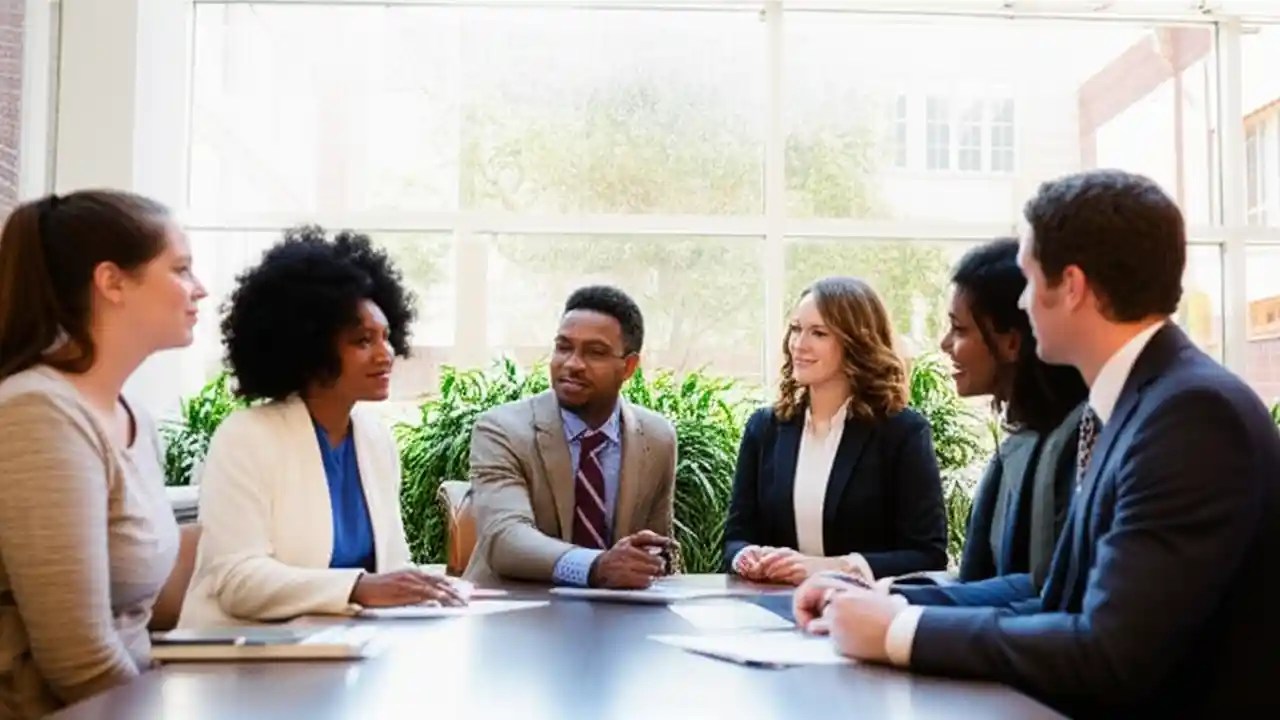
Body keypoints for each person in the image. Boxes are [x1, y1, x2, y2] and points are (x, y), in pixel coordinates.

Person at [794, 170, 1280, 716]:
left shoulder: (1192, 416)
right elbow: (1056, 597)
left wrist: (901, 631)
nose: (1021, 305)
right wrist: (889, 602)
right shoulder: (1135, 404)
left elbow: (1111, 652)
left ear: (1070, 287)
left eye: (1027, 282)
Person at [178, 227, 463, 629]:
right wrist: (359, 587)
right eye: (363, 341)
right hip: (243, 660)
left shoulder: (375, 439)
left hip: (348, 653)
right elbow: (238, 580)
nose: (386, 354)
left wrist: (431, 591)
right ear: (309, 349)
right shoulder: (246, 437)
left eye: (386, 337)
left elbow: (392, 566)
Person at [0, 190, 206, 718]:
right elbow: (79, 661)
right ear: (111, 281)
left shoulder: (131, 413)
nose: (199, 290)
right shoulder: (37, 412)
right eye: (180, 269)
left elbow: (143, 612)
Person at [723, 276, 947, 586]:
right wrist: (745, 556)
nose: (799, 344)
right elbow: (736, 536)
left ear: (856, 342)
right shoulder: (764, 429)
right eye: (796, 329)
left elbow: (927, 554)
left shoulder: (902, 432)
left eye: (818, 333)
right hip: (773, 611)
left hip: (863, 611)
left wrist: (828, 567)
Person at [463, 285, 677, 589]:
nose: (573, 364)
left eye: (595, 352)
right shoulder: (502, 429)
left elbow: (658, 546)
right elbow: (505, 538)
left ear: (628, 367)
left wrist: (652, 558)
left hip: (614, 616)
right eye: (564, 347)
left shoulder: (656, 438)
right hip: (514, 613)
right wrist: (596, 566)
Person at [940, 239, 1087, 588]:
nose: (945, 344)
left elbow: (1045, 591)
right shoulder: (1022, 438)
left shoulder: (1075, 441)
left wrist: (899, 608)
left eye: (959, 329)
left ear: (1011, 341)